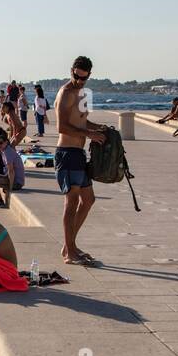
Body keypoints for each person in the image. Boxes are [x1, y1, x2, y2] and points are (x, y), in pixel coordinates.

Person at [53, 56, 107, 266]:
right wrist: (89, 133)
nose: (79, 81)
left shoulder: (84, 93)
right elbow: (62, 127)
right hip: (66, 153)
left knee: (89, 199)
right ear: (72, 71)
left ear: (89, 76)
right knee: (72, 202)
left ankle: (70, 245)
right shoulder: (65, 92)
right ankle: (69, 252)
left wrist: (98, 129)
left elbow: (83, 121)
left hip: (79, 153)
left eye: (84, 78)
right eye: (76, 76)